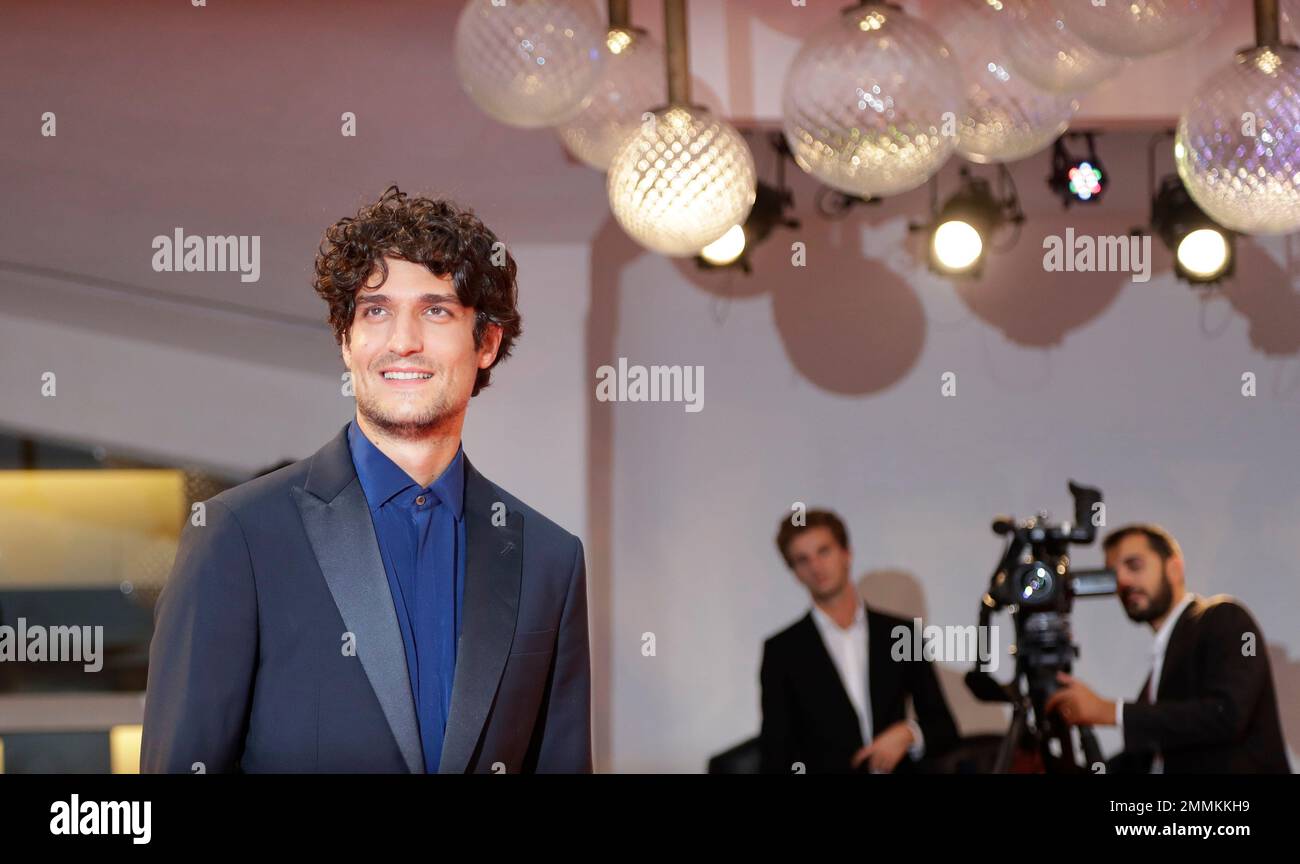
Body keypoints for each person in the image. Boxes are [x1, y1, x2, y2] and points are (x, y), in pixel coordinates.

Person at [142, 186, 591, 773]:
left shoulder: (550, 561)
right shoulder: (240, 537)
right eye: (375, 310)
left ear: (485, 342)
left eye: (436, 310)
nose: (403, 340)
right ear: (346, 342)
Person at [1046, 523, 1289, 773]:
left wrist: (1111, 711)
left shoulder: (1225, 618)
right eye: (1113, 574)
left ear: (1174, 568)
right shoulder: (1155, 681)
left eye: (1134, 565)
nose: (1123, 581)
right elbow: (1144, 763)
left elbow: (1227, 714)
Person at [759, 509, 959, 773]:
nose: (816, 567)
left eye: (824, 551)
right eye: (802, 559)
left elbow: (944, 729)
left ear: (847, 553)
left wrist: (909, 733)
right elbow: (776, 754)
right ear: (795, 572)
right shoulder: (782, 652)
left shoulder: (901, 633)